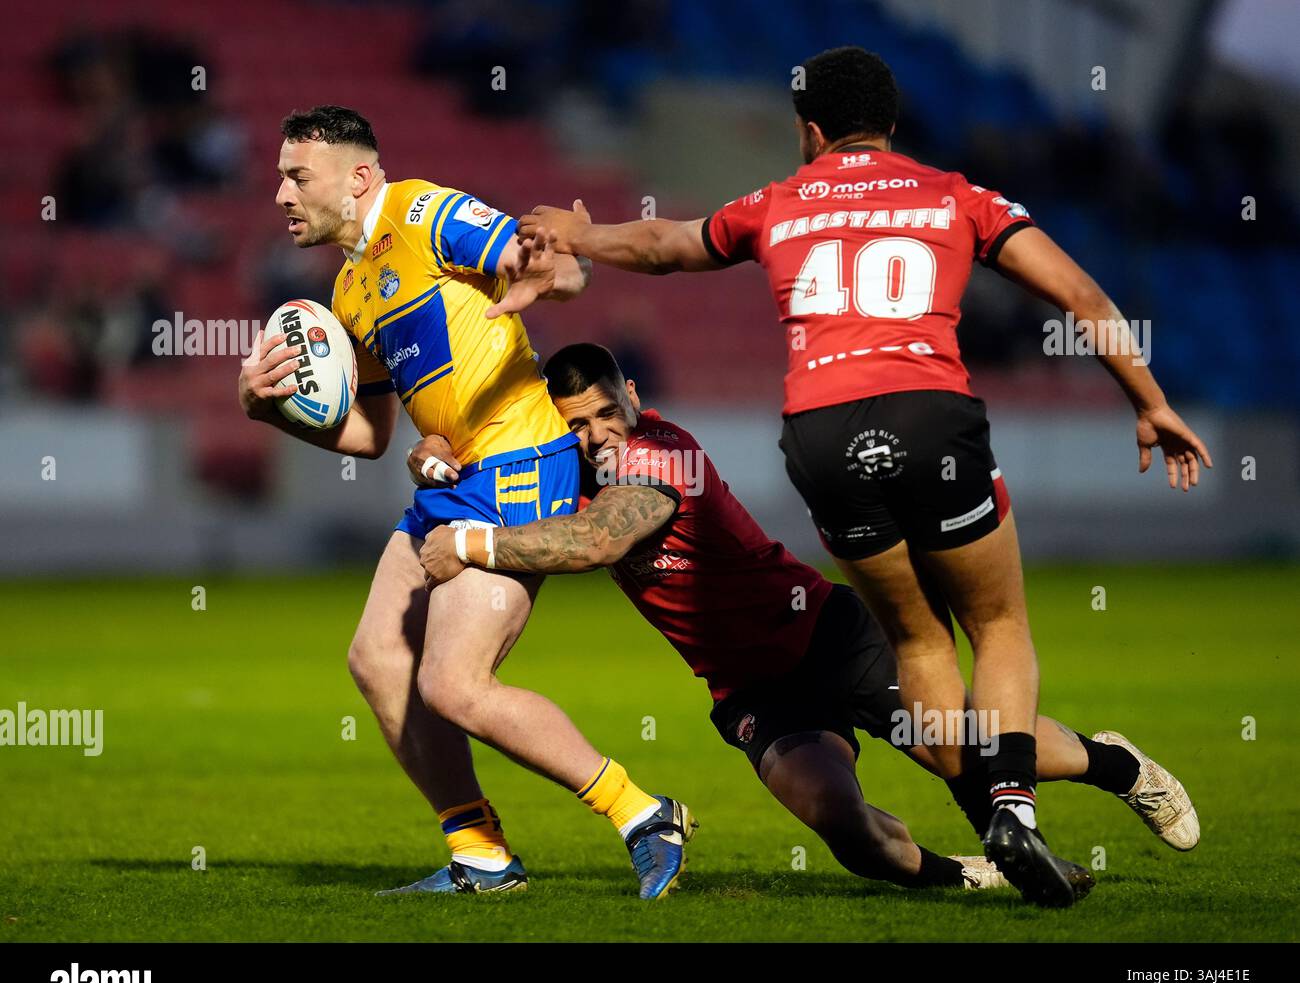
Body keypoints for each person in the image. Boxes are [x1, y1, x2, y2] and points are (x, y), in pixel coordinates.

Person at [512, 48, 1212, 907]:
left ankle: (1066, 785)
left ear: (809, 131)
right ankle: (1024, 804)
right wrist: (1148, 401)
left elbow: (666, 244)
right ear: (892, 123)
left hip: (819, 433)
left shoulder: (779, 201)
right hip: (931, 414)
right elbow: (1082, 297)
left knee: (921, 647)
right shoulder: (956, 194)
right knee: (994, 623)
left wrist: (582, 236)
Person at [414, 343, 1198, 896]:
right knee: (842, 827)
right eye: (575, 426)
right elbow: (500, 479)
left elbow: (596, 541)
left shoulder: (661, 455)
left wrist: (472, 539)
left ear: (633, 402)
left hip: (826, 635)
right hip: (752, 689)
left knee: (972, 748)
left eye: (603, 415)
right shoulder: (566, 477)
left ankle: (1119, 766)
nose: (594, 437)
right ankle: (972, 874)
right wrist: (438, 452)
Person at [236, 106, 693, 899]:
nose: (280, 192)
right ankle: (479, 852)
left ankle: (644, 814)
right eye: (280, 175)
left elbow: (557, 269)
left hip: (521, 463)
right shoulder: (350, 290)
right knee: (377, 658)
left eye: (296, 175)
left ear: (360, 177)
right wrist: (265, 405)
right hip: (450, 486)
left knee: (452, 682)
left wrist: (556, 272)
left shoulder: (426, 211)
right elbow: (370, 434)